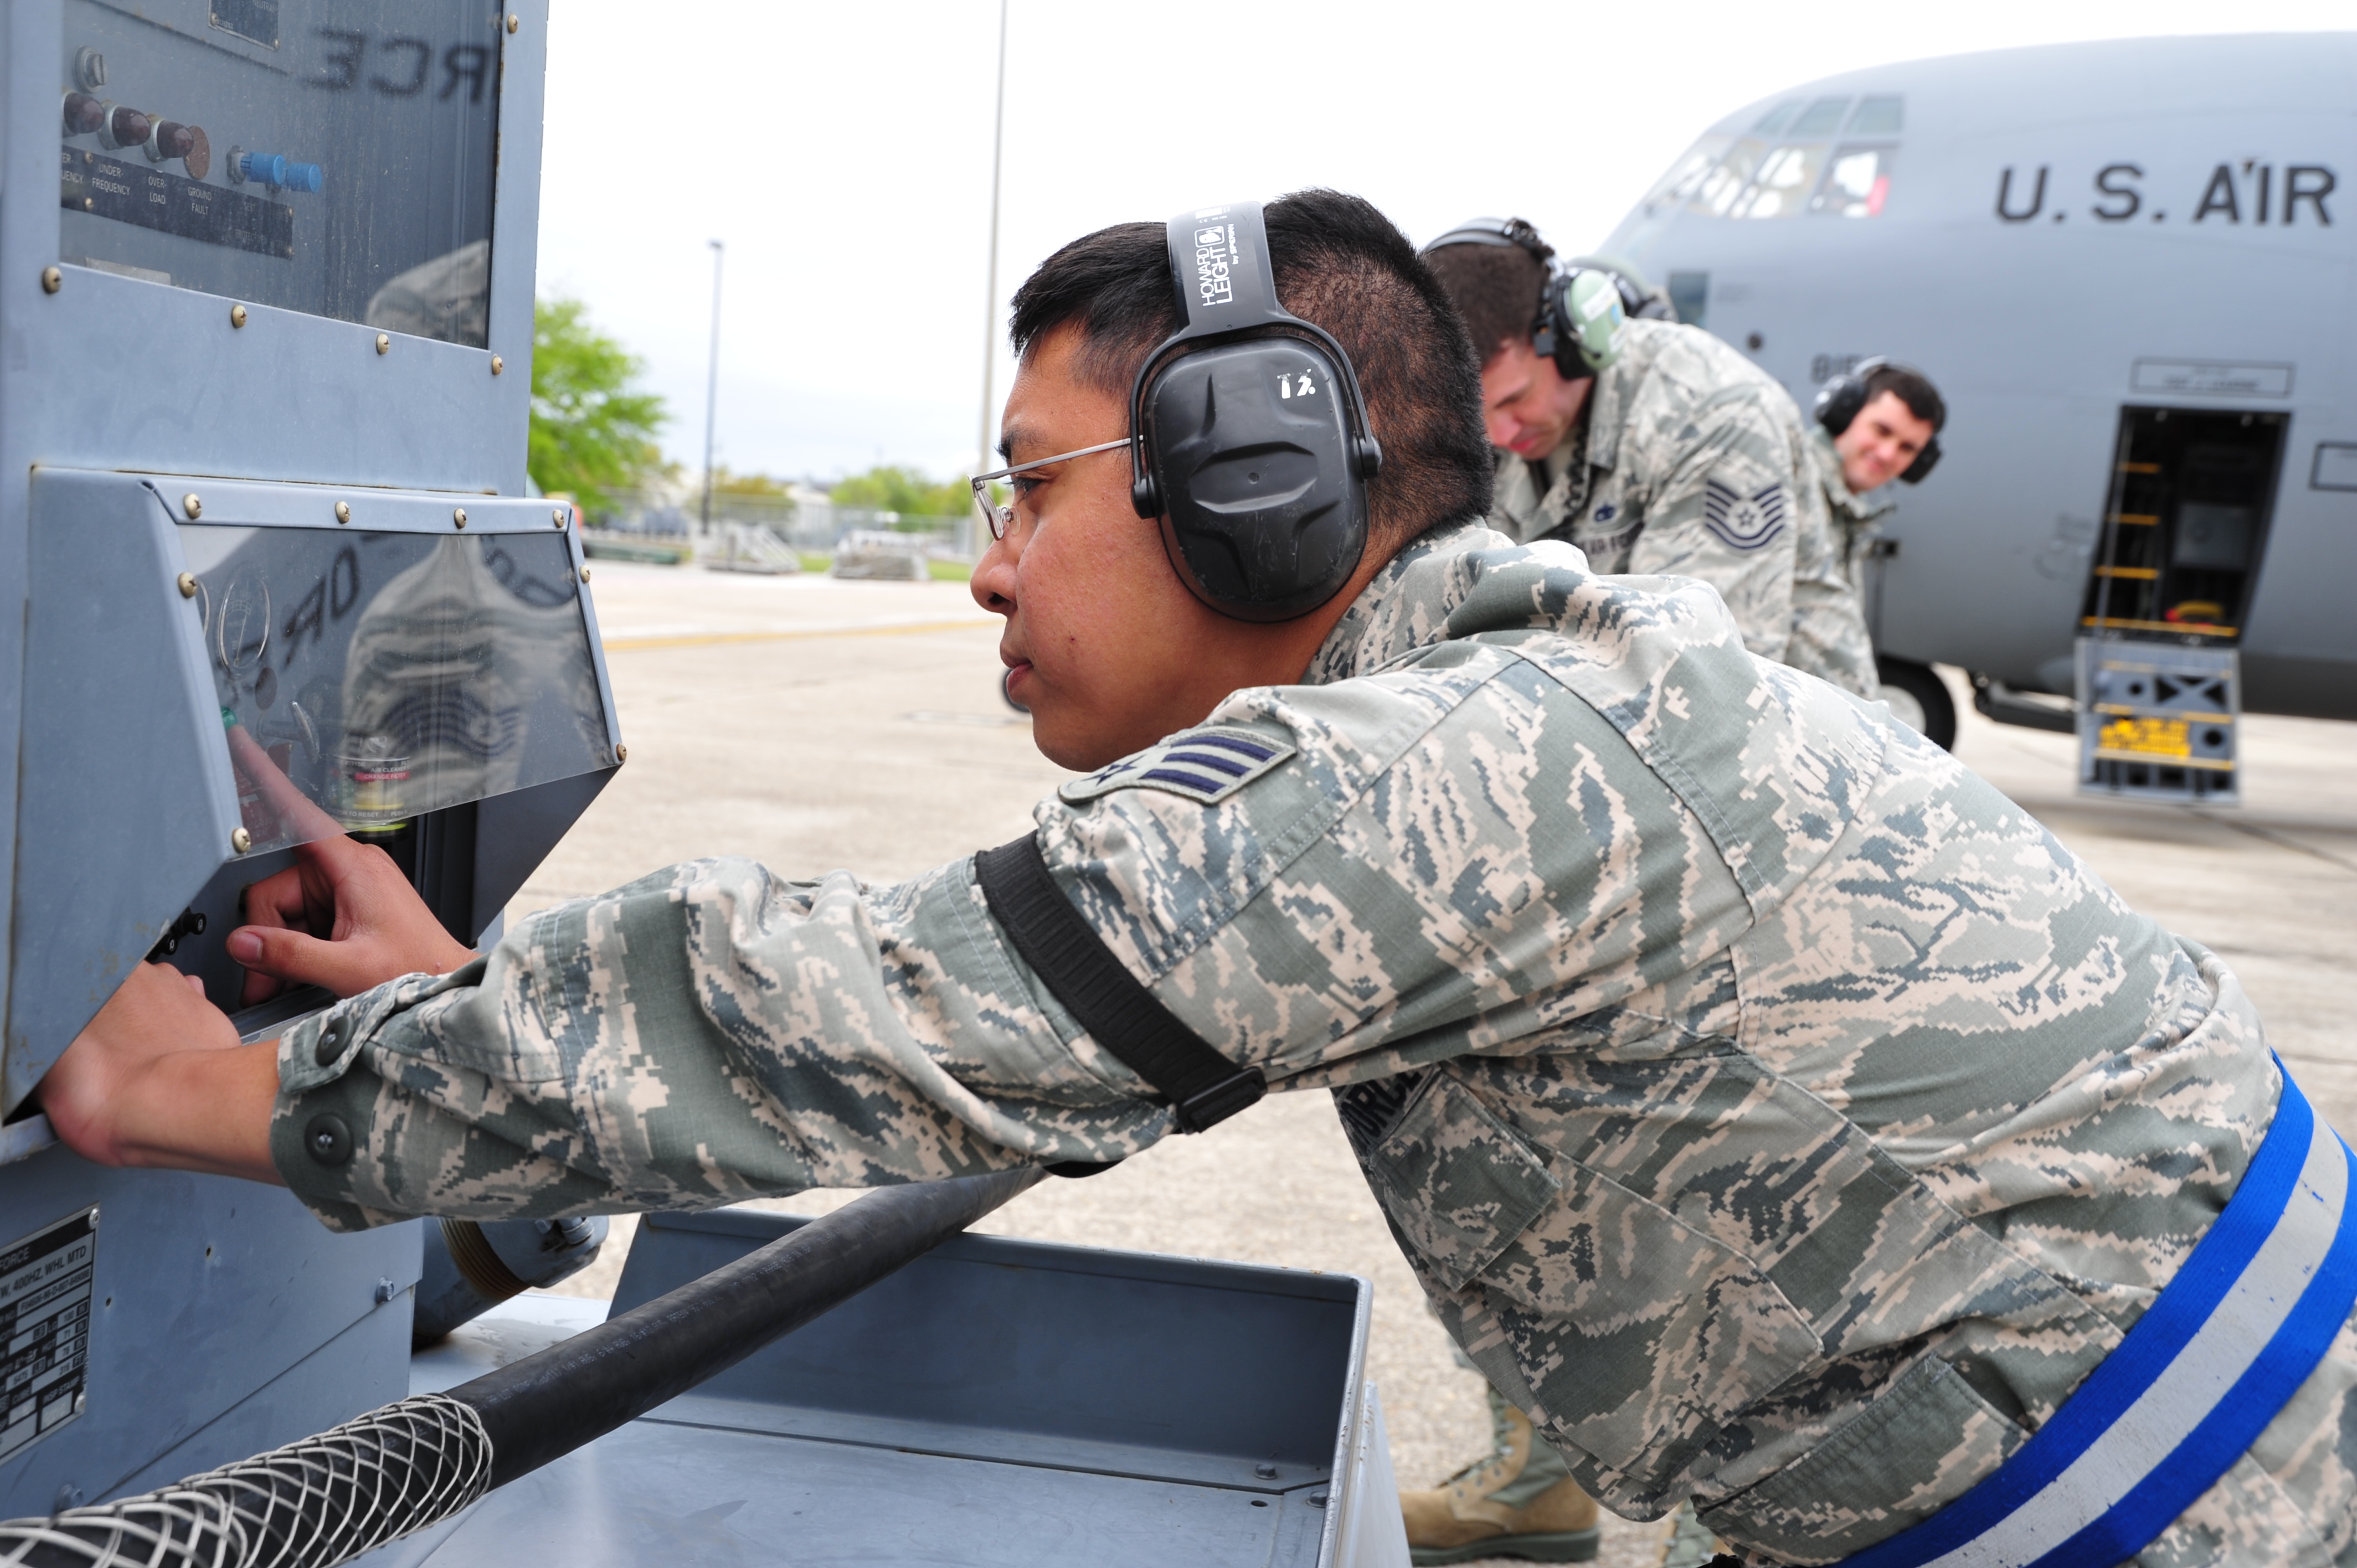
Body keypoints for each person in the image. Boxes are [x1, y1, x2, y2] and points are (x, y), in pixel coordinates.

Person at [38, 191, 2357, 1568]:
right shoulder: (1531, 680)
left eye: (1022, 485)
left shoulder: (1434, 769)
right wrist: (489, 999)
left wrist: (219, 1092)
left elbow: (890, 1006)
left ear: (1238, 477)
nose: (982, 570)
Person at [1421, 219, 1875, 705]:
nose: (1500, 436)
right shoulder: (1490, 431)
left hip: (1793, 741)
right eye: (1478, 413)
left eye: (1516, 399)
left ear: (1574, 340)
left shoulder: (1714, 410)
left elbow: (1698, 676)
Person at [1810, 358, 1947, 584]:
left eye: (1907, 448)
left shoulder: (1848, 513)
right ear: (1844, 413)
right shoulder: (1787, 487)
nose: (1887, 455)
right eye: (1882, 431)